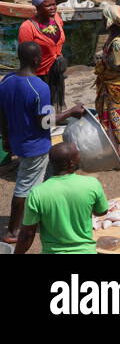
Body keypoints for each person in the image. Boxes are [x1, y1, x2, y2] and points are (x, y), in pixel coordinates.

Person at [1, 42, 86, 244]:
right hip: (35, 145)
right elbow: (45, 122)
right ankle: (13, 231)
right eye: (40, 56)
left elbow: (2, 114)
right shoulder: (40, 88)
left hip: (17, 140)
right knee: (24, 187)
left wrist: (6, 138)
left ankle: (45, 216)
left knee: (48, 180)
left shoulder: (7, 81)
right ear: (36, 60)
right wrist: (71, 112)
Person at [13, 143, 106, 254]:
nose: (80, 157)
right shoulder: (92, 184)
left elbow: (27, 234)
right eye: (78, 155)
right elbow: (101, 211)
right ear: (71, 163)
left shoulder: (37, 193)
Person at [93, 4, 120, 157]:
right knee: (112, 117)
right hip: (110, 85)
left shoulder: (117, 43)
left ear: (111, 21)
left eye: (104, 18)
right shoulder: (112, 38)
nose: (102, 21)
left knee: (117, 118)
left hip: (116, 87)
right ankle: (114, 149)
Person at [18, 0, 67, 110]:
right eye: (48, 5)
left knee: (55, 104)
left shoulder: (56, 18)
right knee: (41, 108)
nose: (53, 8)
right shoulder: (27, 27)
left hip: (56, 72)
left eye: (54, 4)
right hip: (39, 75)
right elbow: (25, 56)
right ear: (38, 8)